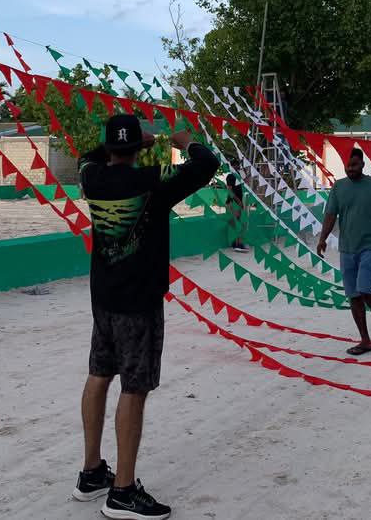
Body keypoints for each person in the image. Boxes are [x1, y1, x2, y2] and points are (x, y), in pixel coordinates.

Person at [73, 114, 218, 519]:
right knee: (134, 389)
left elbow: (88, 156)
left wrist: (131, 143)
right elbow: (206, 165)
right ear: (139, 148)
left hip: (103, 297)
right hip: (138, 303)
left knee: (99, 375)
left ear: (108, 149)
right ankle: (122, 492)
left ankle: (91, 473)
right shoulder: (151, 184)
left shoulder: (91, 178)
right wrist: (185, 141)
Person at [316, 147, 371, 355]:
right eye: (347, 165)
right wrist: (323, 238)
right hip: (347, 248)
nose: (350, 169)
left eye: (354, 165)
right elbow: (330, 215)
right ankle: (365, 340)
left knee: (364, 287)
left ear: (362, 164)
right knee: (353, 295)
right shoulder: (338, 188)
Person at [225, 172, 247, 251]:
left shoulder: (235, 177)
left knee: (237, 225)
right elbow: (231, 193)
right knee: (239, 225)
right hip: (233, 204)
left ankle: (237, 244)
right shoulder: (232, 177)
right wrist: (240, 203)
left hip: (232, 203)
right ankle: (238, 245)